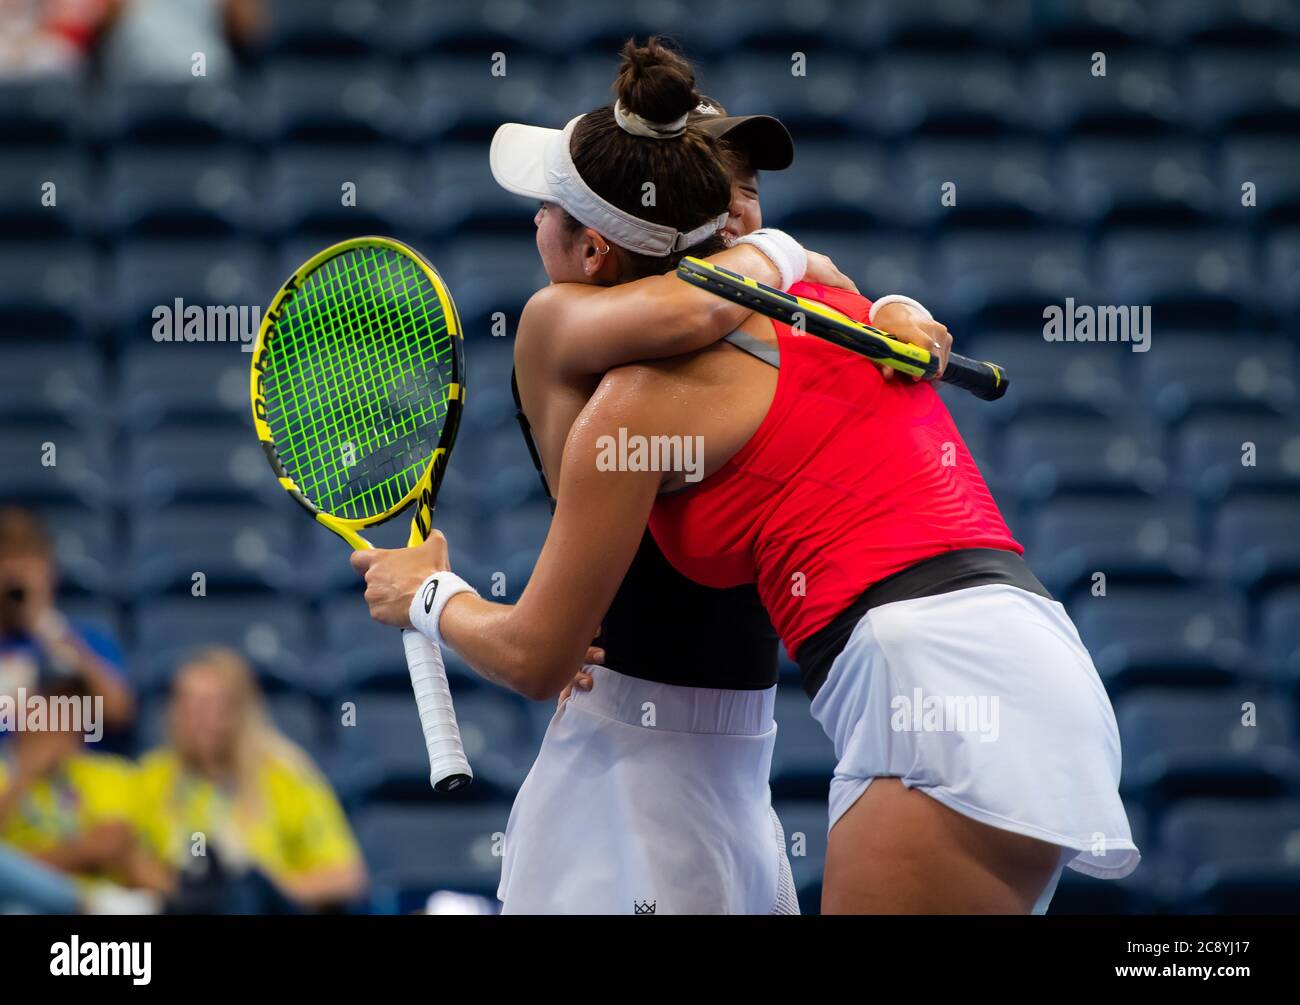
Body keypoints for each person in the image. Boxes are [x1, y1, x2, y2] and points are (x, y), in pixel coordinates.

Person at [355, 42, 1139, 913]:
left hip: (933, 681)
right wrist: (786, 260)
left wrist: (423, 595)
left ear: (590, 251)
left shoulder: (636, 395)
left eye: (546, 208)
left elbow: (538, 656)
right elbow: (703, 300)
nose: (532, 221)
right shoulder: (826, 305)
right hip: (990, 663)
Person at [135, 647, 366, 912]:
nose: (198, 720)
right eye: (189, 705)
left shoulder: (287, 774)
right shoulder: (152, 777)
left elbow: (347, 877)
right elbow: (129, 865)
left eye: (212, 706)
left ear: (240, 711)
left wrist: (266, 887)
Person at [0, 674, 168, 905]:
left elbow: (140, 863)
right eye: (46, 706)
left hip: (112, 899)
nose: (57, 720)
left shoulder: (112, 773)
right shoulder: (5, 776)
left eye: (71, 708)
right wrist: (25, 775)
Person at [0, 507, 134, 739]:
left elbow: (119, 711)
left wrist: (45, 626)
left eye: (28, 558)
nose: (17, 573)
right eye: (7, 559)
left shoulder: (88, 639)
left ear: (50, 571)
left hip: (76, 771)